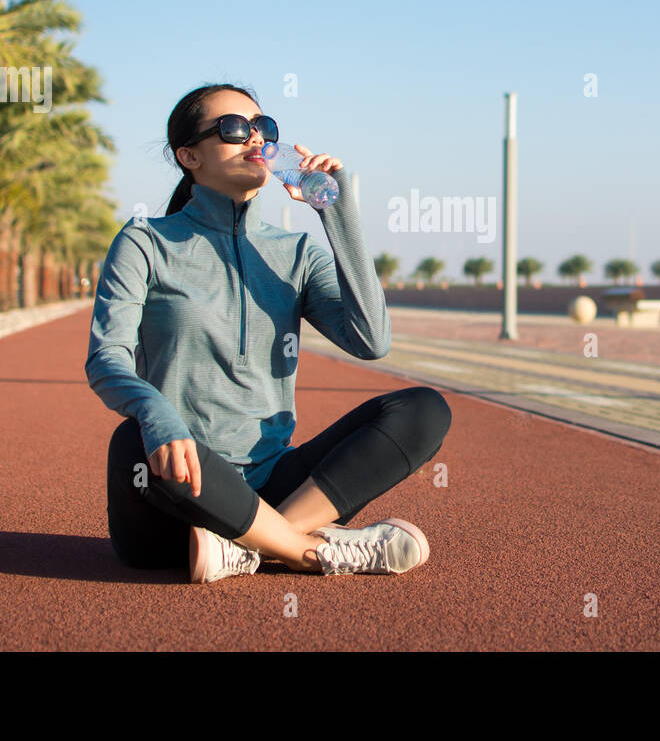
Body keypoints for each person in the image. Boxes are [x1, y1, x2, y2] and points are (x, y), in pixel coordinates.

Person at [87, 82, 451, 582]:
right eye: (235, 129)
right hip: (178, 493)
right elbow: (106, 359)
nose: (256, 139)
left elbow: (371, 340)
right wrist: (158, 417)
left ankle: (254, 545)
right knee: (133, 440)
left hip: (274, 485)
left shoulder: (296, 253)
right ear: (188, 155)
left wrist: (337, 212)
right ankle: (306, 552)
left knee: (422, 409)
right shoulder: (146, 242)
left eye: (264, 128)